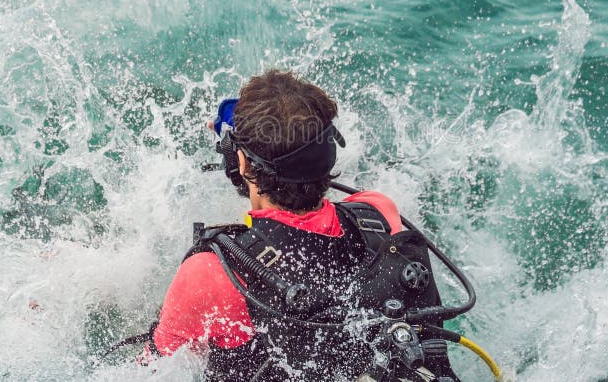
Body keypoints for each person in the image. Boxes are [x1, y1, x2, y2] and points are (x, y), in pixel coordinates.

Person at [143, 69, 460, 381]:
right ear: (329, 156)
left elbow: (151, 370)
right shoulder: (379, 215)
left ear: (240, 163)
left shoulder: (212, 273)